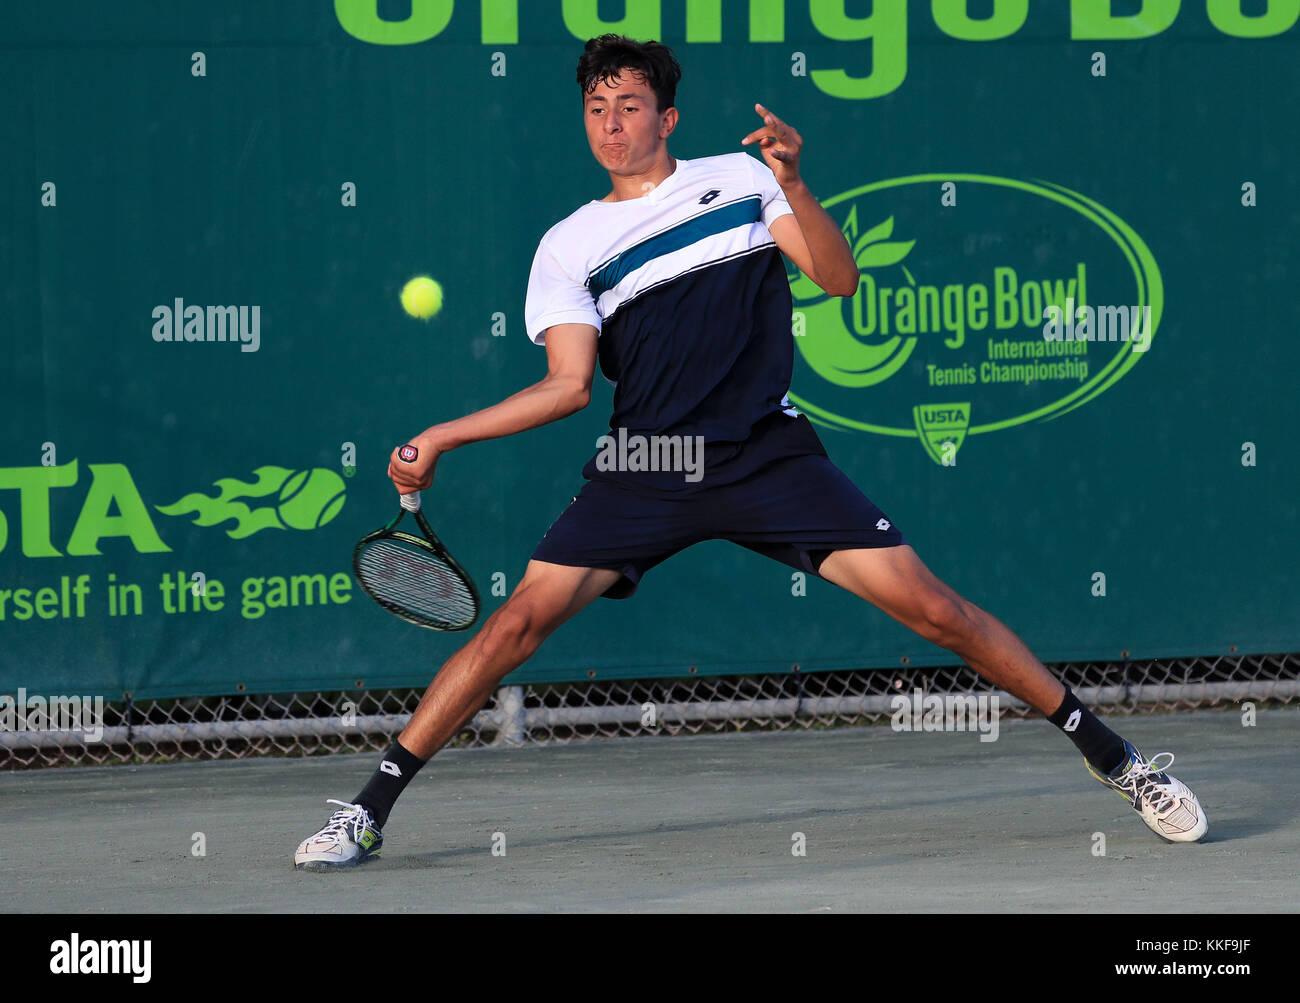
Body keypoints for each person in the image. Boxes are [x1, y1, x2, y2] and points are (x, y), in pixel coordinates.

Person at [294, 35, 1206, 870]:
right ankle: (368, 811)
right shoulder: (568, 244)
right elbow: (568, 386)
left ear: (667, 118)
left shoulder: (742, 178)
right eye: (596, 109)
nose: (612, 125)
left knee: (939, 612)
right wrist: (444, 434)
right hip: (645, 468)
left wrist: (797, 183)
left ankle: (1120, 762)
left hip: (765, 455)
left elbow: (838, 281)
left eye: (630, 107)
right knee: (513, 628)